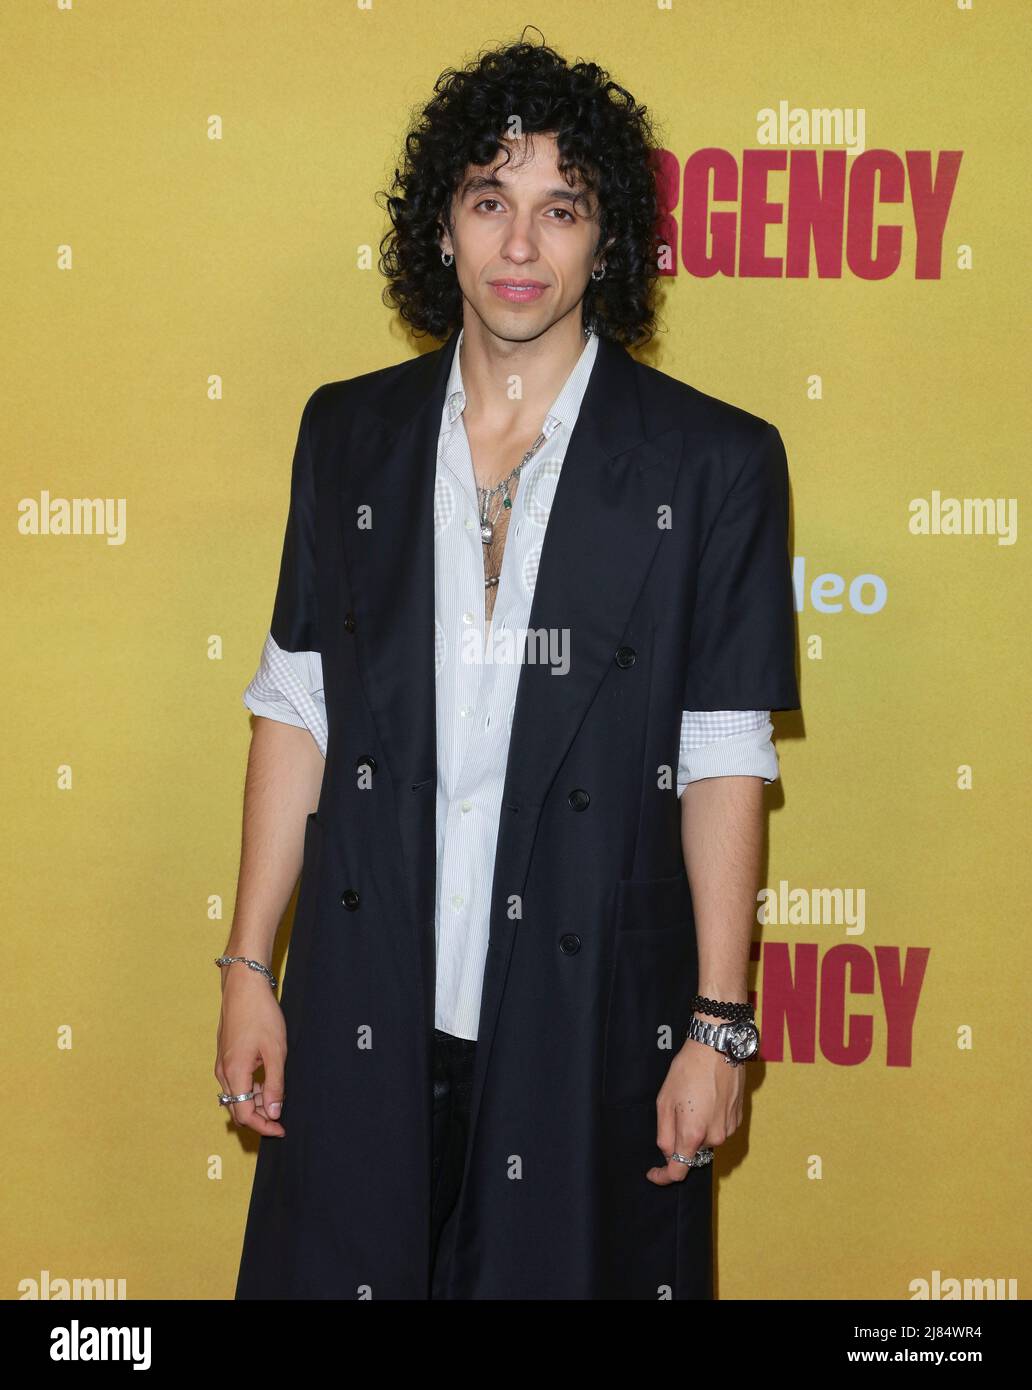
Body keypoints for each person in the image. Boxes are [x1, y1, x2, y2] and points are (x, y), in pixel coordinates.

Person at [217, 33, 800, 1300]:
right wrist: (252, 965)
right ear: (444, 227)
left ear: (608, 240)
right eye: (491, 201)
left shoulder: (713, 467)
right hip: (368, 1004)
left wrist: (716, 1023)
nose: (521, 247)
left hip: (588, 1020)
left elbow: (720, 754)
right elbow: (296, 703)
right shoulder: (349, 435)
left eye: (561, 208)